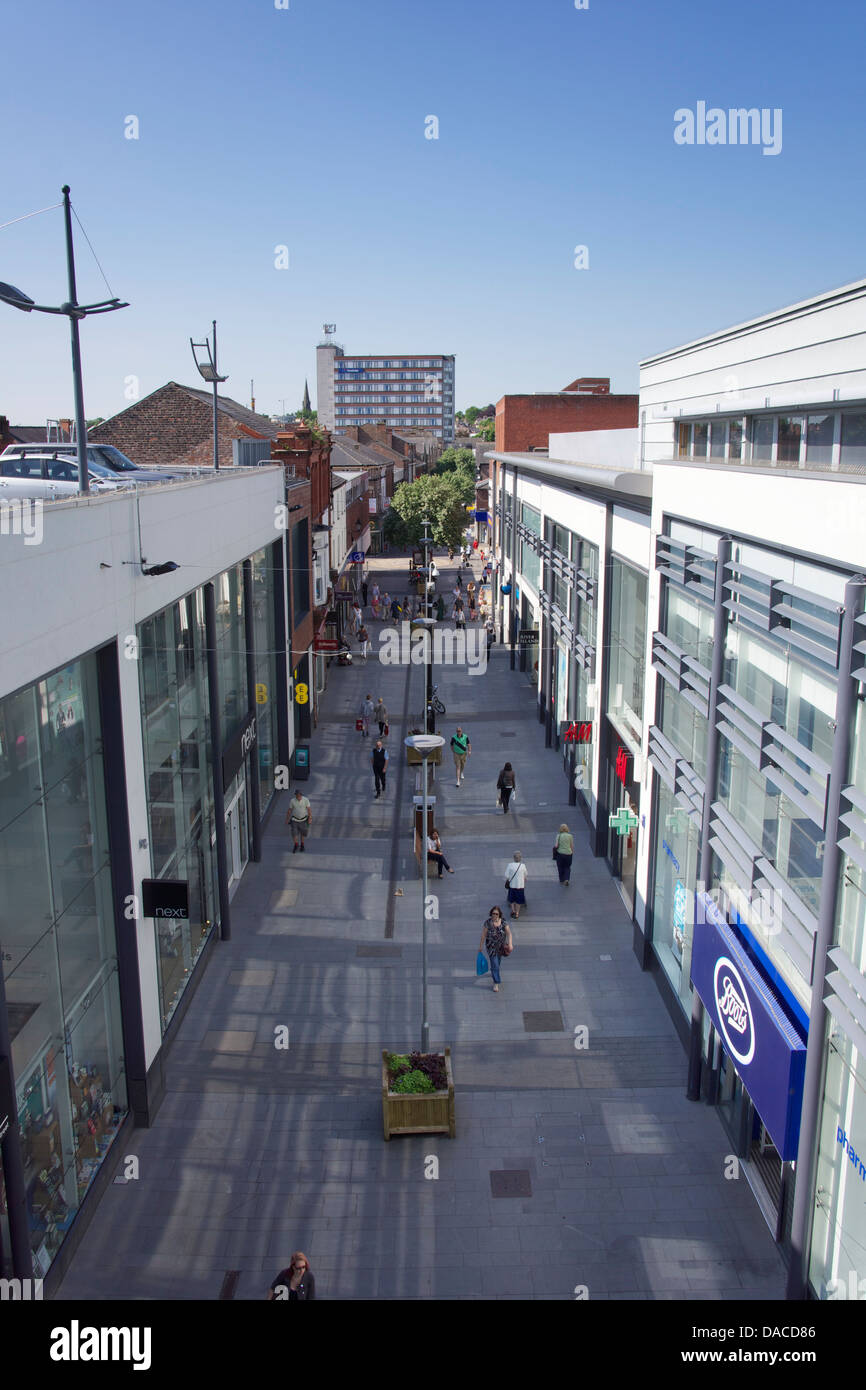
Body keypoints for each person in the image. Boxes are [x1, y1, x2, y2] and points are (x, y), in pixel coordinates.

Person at [479, 906, 512, 993]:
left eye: (496, 914)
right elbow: (483, 935)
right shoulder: (488, 923)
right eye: (493, 913)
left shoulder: (503, 922)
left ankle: (494, 970)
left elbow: (509, 933)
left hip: (501, 947)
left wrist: (510, 944)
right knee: (495, 964)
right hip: (491, 947)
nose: (494, 915)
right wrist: (480, 946)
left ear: (499, 914)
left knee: (498, 962)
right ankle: (496, 982)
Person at [504, 850, 527, 918]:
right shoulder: (523, 866)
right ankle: (517, 913)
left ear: (514, 858)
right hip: (520, 886)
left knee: (512, 899)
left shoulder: (510, 865)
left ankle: (513, 910)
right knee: (518, 901)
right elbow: (525, 874)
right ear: (520, 858)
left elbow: (506, 875)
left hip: (512, 885)